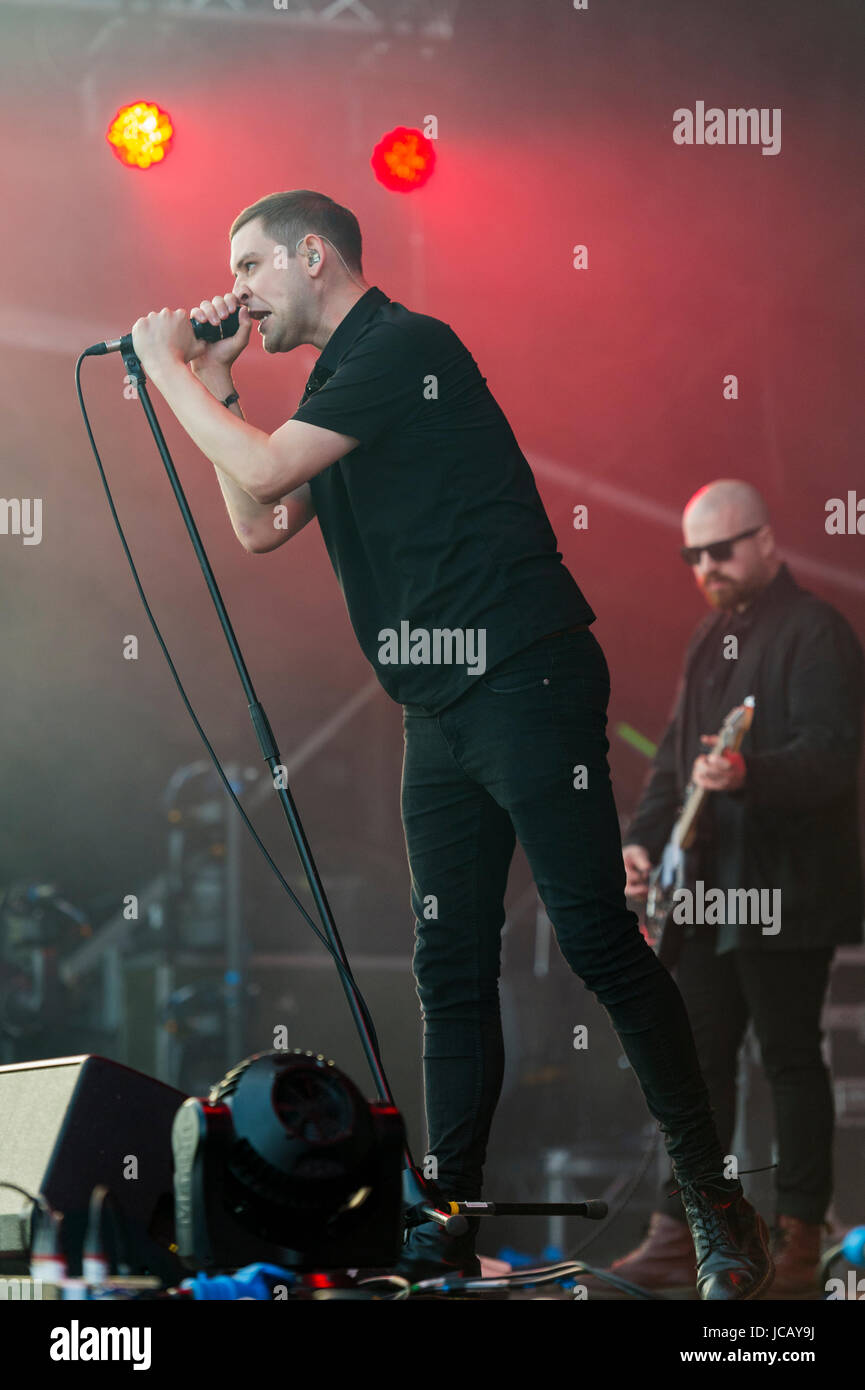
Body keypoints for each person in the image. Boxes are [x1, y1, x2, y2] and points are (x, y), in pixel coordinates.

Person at [130, 190, 773, 1298]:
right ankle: (448, 1215)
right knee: (449, 963)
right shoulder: (333, 390)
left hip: (524, 672)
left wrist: (168, 367)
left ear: (312, 256)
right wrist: (220, 375)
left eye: (249, 263)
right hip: (436, 703)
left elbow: (270, 472)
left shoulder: (404, 345)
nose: (233, 285)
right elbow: (257, 521)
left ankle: (714, 1201)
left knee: (597, 941)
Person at [613, 479, 864, 1297]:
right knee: (696, 1064)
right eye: (692, 554)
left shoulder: (817, 632)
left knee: (789, 1058)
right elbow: (672, 760)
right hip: (703, 893)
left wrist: (749, 772)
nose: (706, 566)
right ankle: (691, 1229)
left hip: (784, 890)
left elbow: (832, 759)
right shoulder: (705, 639)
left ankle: (797, 1235)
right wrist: (643, 842)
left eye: (720, 549)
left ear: (766, 541)